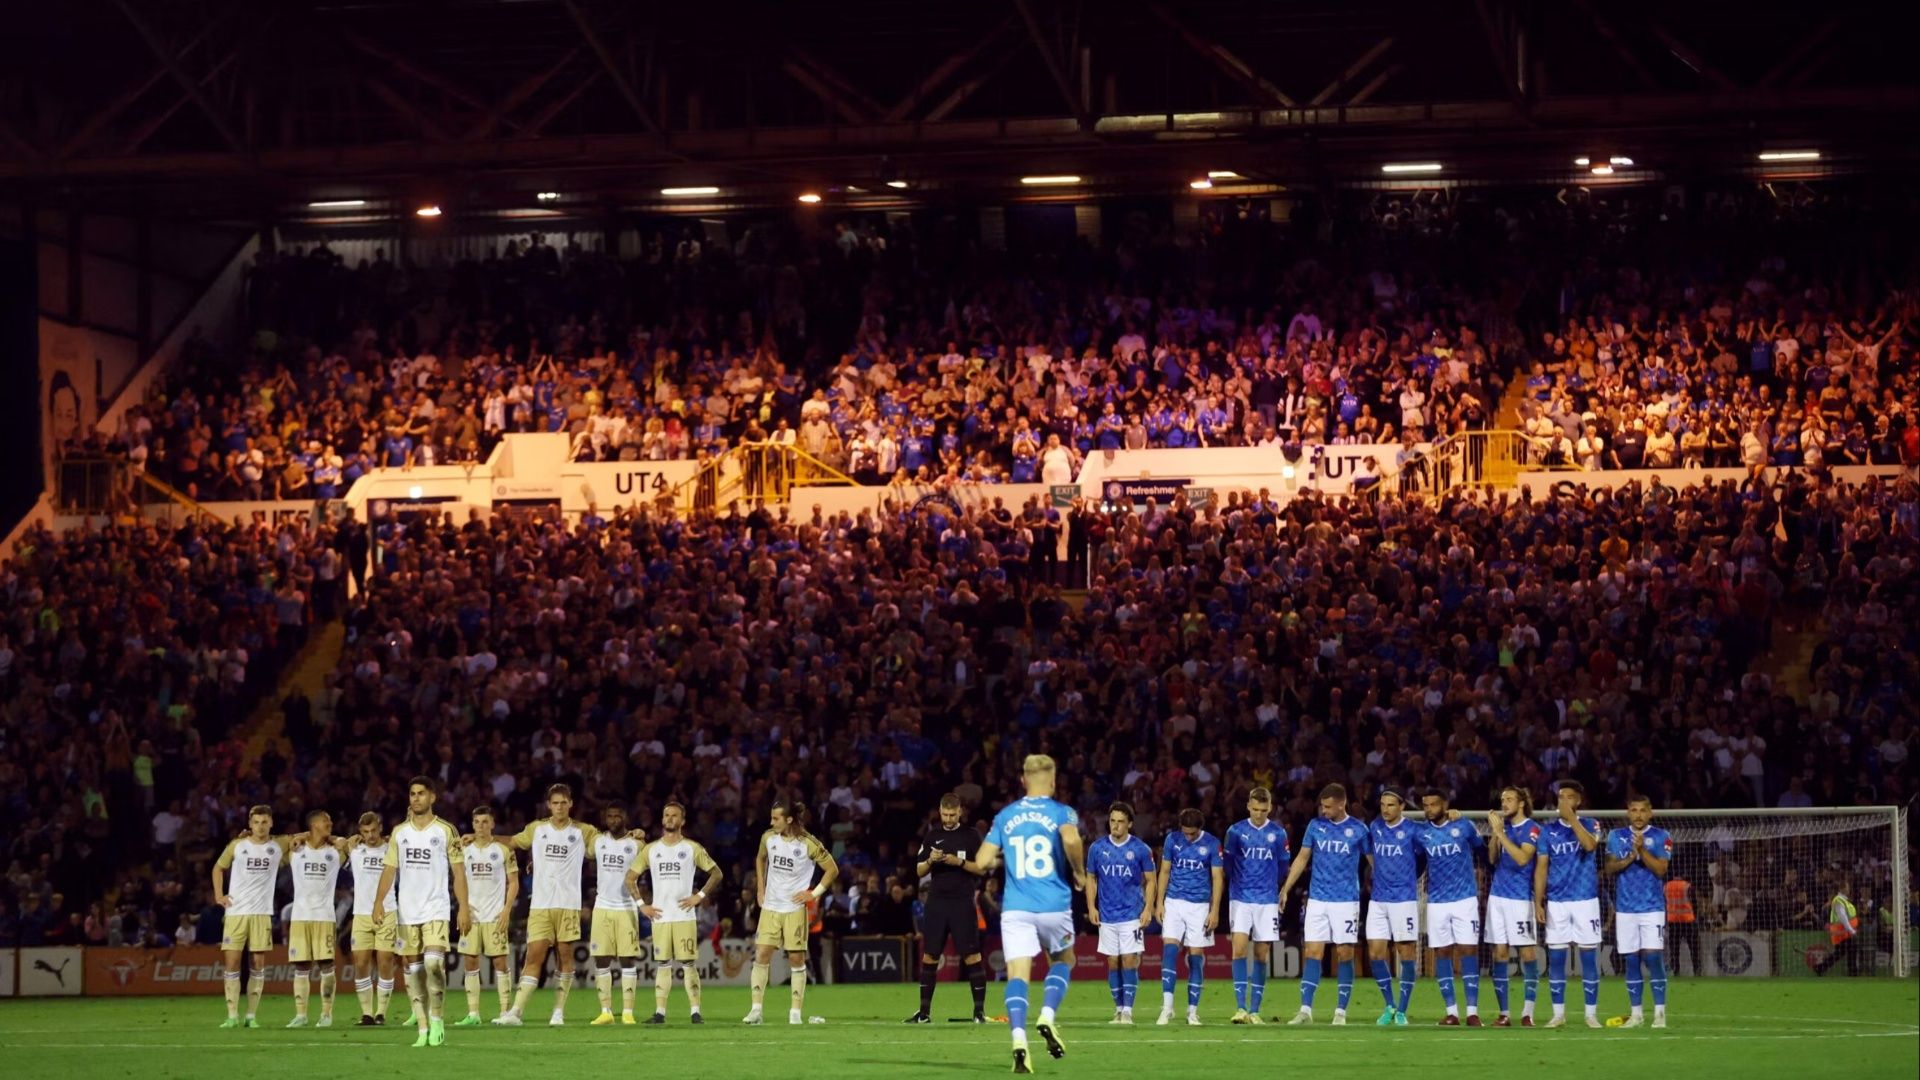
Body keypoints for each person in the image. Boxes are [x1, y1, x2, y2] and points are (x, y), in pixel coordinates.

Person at [969, 754, 1086, 1074]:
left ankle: (1018, 1040)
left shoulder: (1005, 816)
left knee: (1018, 974)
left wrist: (1003, 858)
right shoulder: (1063, 811)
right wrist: (1079, 871)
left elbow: (980, 862)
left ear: (1022, 780)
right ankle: (1047, 1015)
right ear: (1052, 780)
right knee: (1064, 961)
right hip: (1054, 905)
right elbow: (1071, 838)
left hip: (1016, 907)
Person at [372, 775, 472, 1048]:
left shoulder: (445, 831)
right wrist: (378, 901)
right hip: (407, 911)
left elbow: (459, 872)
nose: (416, 798)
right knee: (413, 971)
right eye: (412, 793)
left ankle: (437, 1018)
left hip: (436, 908)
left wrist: (463, 907)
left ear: (432, 797)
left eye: (421, 793)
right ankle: (423, 1028)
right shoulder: (399, 833)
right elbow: (389, 869)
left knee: (433, 964)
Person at [494, 783, 598, 1026]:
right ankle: (516, 1012)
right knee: (534, 956)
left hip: (568, 905)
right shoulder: (537, 829)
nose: (560, 807)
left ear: (570, 804)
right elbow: (511, 841)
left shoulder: (584, 831)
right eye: (555, 803)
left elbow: (602, 848)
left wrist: (632, 835)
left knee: (565, 956)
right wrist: (482, 838)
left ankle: (558, 1012)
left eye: (564, 802)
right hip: (541, 906)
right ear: (548, 805)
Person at [744, 795, 838, 1025]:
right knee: (762, 954)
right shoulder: (768, 838)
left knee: (796, 958)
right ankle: (756, 1010)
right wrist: (760, 888)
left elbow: (832, 869)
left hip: (794, 909)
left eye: (776, 819)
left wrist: (813, 894)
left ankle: (795, 1013)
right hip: (771, 907)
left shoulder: (808, 843)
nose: (771, 822)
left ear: (788, 819)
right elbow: (760, 858)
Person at [1278, 783, 1366, 1026]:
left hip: (1346, 900)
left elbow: (1373, 862)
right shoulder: (1316, 827)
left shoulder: (1359, 830)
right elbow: (1302, 857)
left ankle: (1340, 1013)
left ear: (1341, 803)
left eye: (1328, 807)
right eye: (1322, 806)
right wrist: (1285, 888)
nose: (1324, 811)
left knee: (1345, 953)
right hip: (1317, 899)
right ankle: (1305, 1010)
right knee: (1313, 953)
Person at [629, 800, 722, 1022]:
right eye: (666, 815)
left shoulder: (691, 848)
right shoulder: (651, 850)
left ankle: (695, 1012)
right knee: (663, 964)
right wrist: (642, 906)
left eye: (674, 815)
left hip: (684, 916)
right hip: (660, 917)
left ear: (682, 821)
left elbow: (716, 873)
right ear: (662, 820)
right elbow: (630, 878)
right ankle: (660, 1013)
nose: (669, 818)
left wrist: (698, 897)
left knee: (688, 963)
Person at [905, 793, 988, 1024]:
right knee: (930, 956)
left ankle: (979, 1013)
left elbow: (982, 868)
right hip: (937, 903)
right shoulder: (932, 835)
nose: (948, 818)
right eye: (944, 814)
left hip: (962, 902)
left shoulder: (971, 836)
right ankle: (924, 1013)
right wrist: (931, 860)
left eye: (952, 814)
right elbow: (919, 871)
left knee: (972, 956)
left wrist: (958, 862)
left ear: (960, 812)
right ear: (940, 812)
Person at [212, 804, 290, 1028]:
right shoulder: (237, 845)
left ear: (271, 823)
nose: (260, 826)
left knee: (258, 962)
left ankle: (251, 1016)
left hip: (261, 913)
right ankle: (232, 1015)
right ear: (249, 824)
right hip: (236, 912)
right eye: (256, 822)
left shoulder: (278, 845)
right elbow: (218, 868)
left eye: (264, 822)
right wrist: (219, 896)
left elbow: (305, 836)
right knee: (232, 962)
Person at [1534, 781, 1604, 1028]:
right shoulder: (1547, 831)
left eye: (1569, 797)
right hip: (1557, 902)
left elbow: (1589, 846)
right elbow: (1541, 868)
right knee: (1556, 959)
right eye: (1560, 797)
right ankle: (1558, 1014)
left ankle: (1590, 1014)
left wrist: (1572, 819)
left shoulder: (1591, 824)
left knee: (1588, 958)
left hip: (1585, 900)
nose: (1562, 801)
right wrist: (1538, 902)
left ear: (1578, 801)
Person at [1417, 788, 1484, 1026]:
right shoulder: (1422, 833)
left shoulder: (1463, 826)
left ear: (1445, 805)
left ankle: (1473, 1012)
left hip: (1465, 899)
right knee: (1441, 953)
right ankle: (1452, 1012)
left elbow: (1481, 853)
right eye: (1425, 805)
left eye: (1433, 804)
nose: (1428, 809)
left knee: (1468, 951)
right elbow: (1417, 864)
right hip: (1436, 901)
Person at [1604, 794, 1672, 1028]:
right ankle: (1636, 1015)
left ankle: (1660, 1014)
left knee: (1653, 957)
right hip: (1625, 909)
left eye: (1643, 810)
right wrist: (1631, 856)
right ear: (1628, 813)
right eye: (1634, 810)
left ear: (1650, 813)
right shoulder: (1616, 836)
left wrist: (1642, 852)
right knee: (1631, 960)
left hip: (1652, 907)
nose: (1639, 815)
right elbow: (1610, 867)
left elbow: (1661, 869)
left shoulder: (1662, 836)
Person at [1085, 801, 1155, 1025]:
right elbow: (1091, 879)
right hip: (1107, 914)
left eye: (1120, 822)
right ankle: (1117, 1009)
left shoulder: (1140, 849)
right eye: (1112, 821)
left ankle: (1128, 1012)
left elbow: (1151, 881)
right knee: (1113, 962)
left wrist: (1148, 909)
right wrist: (1091, 907)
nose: (1115, 826)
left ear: (1130, 824)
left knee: (1129, 960)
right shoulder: (1097, 848)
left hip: (1132, 914)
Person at [1223, 787, 1289, 1024]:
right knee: (1239, 949)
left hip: (1267, 901)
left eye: (1264, 809)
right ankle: (1240, 1008)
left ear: (1269, 807)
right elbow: (1228, 865)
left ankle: (1255, 1010)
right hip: (1240, 898)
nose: (1259, 813)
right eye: (1255, 809)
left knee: (1261, 954)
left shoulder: (1278, 833)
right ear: (1248, 806)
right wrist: (1238, 884)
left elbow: (1283, 866)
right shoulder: (1236, 831)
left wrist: (1274, 886)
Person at [1153, 807, 1223, 1026]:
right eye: (1186, 832)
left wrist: (1214, 910)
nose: (1188, 836)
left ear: (1199, 829)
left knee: (1195, 958)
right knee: (1169, 950)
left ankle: (1192, 1011)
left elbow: (1217, 878)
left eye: (1192, 833)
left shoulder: (1212, 843)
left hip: (1199, 906)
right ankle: (1167, 1008)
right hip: (1174, 902)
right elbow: (1164, 871)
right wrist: (1159, 903)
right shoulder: (1172, 840)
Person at [1484, 785, 1543, 1026]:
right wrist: (1496, 834)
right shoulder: (1503, 827)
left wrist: (1501, 834)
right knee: (1499, 953)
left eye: (1509, 799)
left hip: (1520, 900)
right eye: (1502, 799)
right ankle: (1504, 1013)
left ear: (1521, 803)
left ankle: (1528, 1013)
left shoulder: (1532, 828)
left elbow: (1522, 858)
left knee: (1527, 954)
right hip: (1497, 898)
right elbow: (1491, 859)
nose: (1504, 803)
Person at [454, 806, 517, 1026]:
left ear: (492, 824)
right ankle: (473, 1014)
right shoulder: (463, 849)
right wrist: (462, 907)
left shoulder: (503, 850)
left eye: (485, 822)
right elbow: (457, 879)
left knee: (500, 962)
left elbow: (514, 882)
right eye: (477, 822)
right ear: (472, 825)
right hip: (471, 916)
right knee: (470, 962)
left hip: (494, 916)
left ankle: (505, 1011)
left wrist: (507, 909)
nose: (481, 826)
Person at [1363, 788, 1420, 1025]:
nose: (1385, 809)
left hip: (1403, 900)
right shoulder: (1375, 827)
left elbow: (1424, 858)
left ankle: (1403, 1011)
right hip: (1378, 900)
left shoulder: (1413, 830)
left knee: (1405, 952)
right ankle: (1390, 1005)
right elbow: (1370, 856)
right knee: (1375, 952)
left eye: (1391, 805)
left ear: (1402, 806)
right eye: (1383, 804)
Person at [284, 811, 345, 1028]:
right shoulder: (295, 850)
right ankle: (301, 1015)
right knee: (301, 966)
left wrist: (334, 839)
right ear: (312, 825)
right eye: (324, 821)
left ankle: (326, 1014)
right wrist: (301, 836)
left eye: (330, 819)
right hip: (300, 917)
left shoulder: (336, 851)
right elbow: (273, 841)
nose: (330, 822)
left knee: (327, 965)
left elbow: (353, 843)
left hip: (324, 917)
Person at [588, 806, 643, 1026]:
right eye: (609, 816)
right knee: (602, 958)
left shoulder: (636, 845)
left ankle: (628, 1012)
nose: (613, 819)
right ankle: (606, 1011)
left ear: (625, 818)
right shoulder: (598, 842)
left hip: (626, 907)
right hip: (602, 906)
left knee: (627, 959)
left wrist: (642, 834)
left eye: (617, 816)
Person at [347, 811, 399, 1024]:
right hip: (361, 914)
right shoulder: (354, 849)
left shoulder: (391, 850)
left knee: (385, 961)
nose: (370, 835)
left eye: (374, 830)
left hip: (387, 912)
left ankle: (381, 1013)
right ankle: (367, 1013)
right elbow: (331, 839)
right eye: (366, 832)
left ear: (380, 828)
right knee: (360, 963)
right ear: (360, 832)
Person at [1815, 881, 1864, 976]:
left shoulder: (1845, 901)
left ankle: (1821, 968)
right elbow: (1843, 917)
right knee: (1847, 951)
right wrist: (1851, 930)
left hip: (1845, 933)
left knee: (1843, 952)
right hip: (1842, 933)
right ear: (1842, 888)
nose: (1849, 889)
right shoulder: (1838, 900)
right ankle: (1852, 972)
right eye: (1847, 886)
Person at [1664, 867, 1700, 978]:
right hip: (1688, 920)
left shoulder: (1666, 886)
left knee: (1674, 949)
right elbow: (1694, 903)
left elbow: (1664, 902)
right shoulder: (1687, 886)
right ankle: (1697, 971)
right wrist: (1695, 917)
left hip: (1673, 921)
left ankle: (1676, 971)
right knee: (1693, 948)